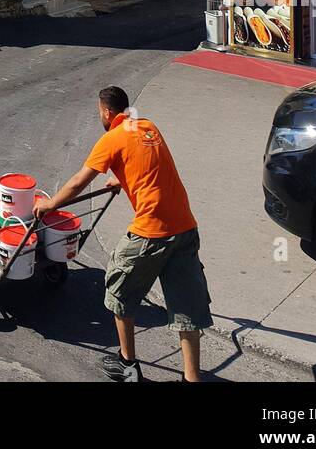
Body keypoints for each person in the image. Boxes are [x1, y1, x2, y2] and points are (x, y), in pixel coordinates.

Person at [33, 85, 211, 383]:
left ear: (107, 112)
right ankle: (192, 379)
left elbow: (79, 182)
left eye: (99, 112)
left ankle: (128, 366)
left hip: (151, 231)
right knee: (186, 307)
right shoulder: (147, 127)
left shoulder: (111, 139)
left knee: (119, 290)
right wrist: (121, 177)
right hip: (184, 227)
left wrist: (49, 205)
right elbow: (148, 164)